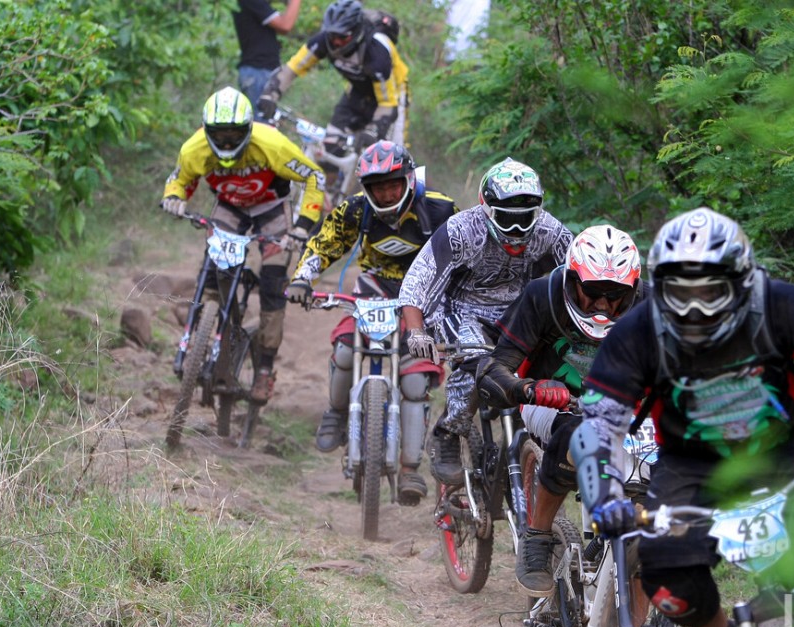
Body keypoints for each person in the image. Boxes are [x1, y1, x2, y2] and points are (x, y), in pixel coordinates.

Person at [570, 208, 794, 627]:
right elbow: (599, 425)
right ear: (658, 288)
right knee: (668, 575)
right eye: (679, 292)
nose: (693, 309)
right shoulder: (637, 332)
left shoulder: (778, 304)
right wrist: (605, 497)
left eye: (708, 292)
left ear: (741, 283)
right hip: (690, 462)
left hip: (783, 448)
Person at [474, 225, 644, 596]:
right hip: (550, 403)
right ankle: (537, 537)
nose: (603, 304)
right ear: (573, 280)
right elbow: (493, 370)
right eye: (594, 291)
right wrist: (529, 387)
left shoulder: (652, 307)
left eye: (616, 294)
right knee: (576, 433)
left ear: (632, 289)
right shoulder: (543, 296)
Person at [285, 140, 457, 505]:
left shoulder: (440, 209)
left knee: (414, 383)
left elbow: (465, 254)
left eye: (392, 185)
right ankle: (334, 412)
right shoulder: (356, 210)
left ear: (409, 179)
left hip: (423, 299)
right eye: (377, 188)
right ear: (366, 189)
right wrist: (303, 278)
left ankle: (410, 470)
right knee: (346, 350)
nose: (386, 194)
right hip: (374, 288)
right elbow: (324, 243)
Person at [398, 157, 573, 486]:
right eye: (508, 217)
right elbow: (416, 282)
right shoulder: (461, 230)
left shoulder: (550, 230)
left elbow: (582, 274)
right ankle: (450, 431)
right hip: (462, 310)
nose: (518, 230)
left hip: (520, 314)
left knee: (560, 361)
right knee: (477, 365)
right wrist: (417, 331)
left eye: (526, 218)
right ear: (487, 207)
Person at [162, 86, 325, 402]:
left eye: (234, 134)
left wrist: (302, 227)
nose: (226, 142)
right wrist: (174, 197)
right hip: (230, 207)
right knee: (210, 274)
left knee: (273, 284)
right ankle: (199, 342)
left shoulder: (272, 144)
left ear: (249, 129)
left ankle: (264, 369)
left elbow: (314, 177)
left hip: (272, 209)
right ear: (206, 131)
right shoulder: (194, 149)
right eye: (219, 135)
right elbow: (179, 178)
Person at [255, 0, 409, 189]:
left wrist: (372, 130)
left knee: (389, 158)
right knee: (329, 145)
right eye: (332, 34)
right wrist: (269, 95)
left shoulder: (376, 52)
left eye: (342, 37)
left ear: (357, 32)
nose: (335, 41)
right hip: (358, 90)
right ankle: (328, 200)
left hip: (393, 96)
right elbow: (291, 69)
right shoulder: (323, 41)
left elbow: (387, 103)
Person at [233, 0, 303, 108]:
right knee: (261, 123)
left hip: (260, 72)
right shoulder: (252, 2)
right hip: (258, 72)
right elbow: (285, 25)